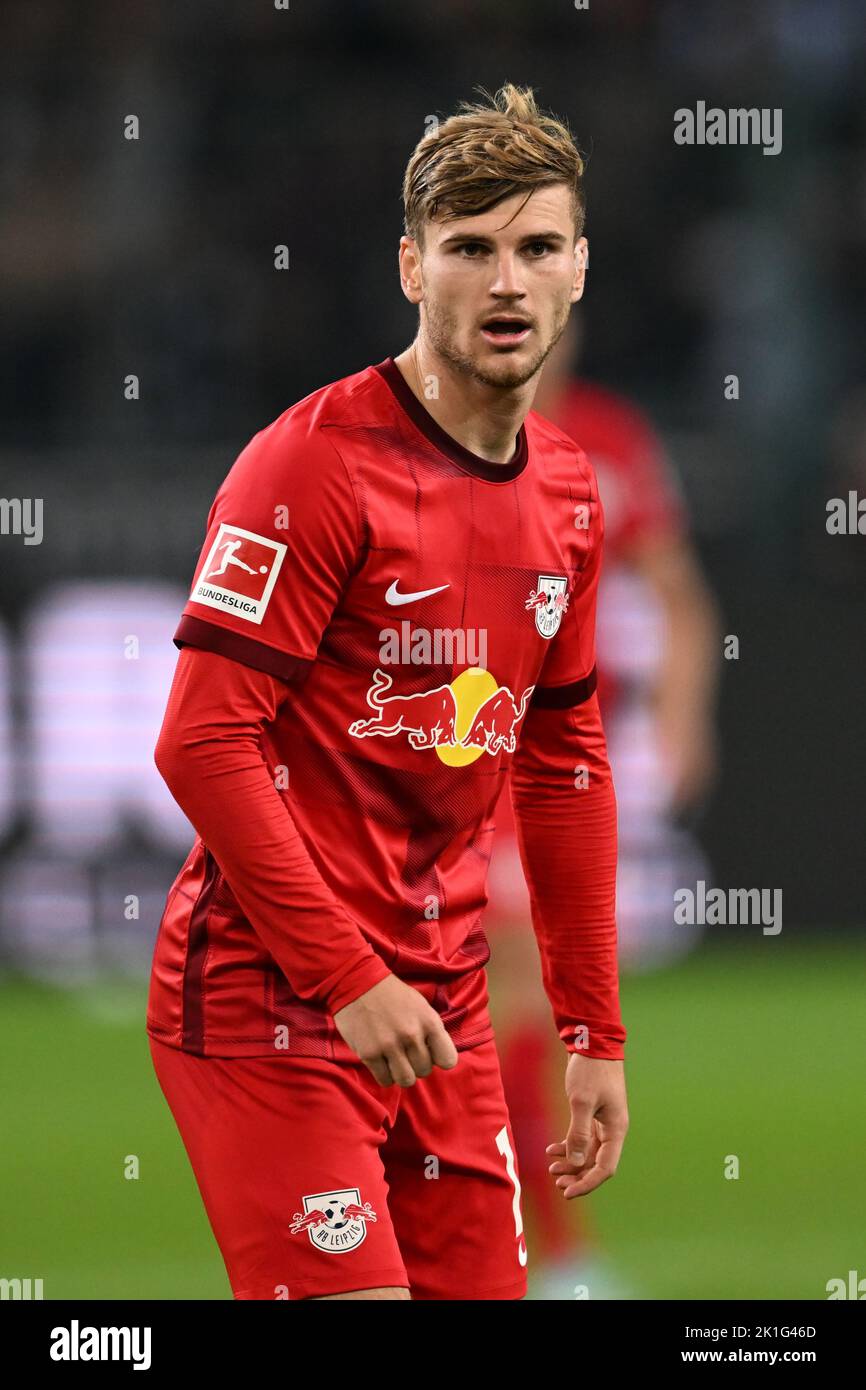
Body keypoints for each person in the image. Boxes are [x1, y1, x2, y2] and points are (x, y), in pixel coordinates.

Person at [147, 83, 628, 1302]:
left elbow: (564, 764)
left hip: (443, 1010)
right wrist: (345, 979)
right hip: (270, 995)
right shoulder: (309, 465)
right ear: (411, 268)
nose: (504, 283)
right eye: (468, 250)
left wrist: (588, 1030)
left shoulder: (569, 490)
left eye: (533, 248)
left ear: (580, 268)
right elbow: (203, 742)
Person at [487, 310, 720, 1296]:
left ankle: (512, 1244)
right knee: (507, 991)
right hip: (462, 754)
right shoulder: (426, 441)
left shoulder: (608, 441)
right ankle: (547, 1257)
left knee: (518, 1002)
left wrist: (681, 717)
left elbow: (677, 595)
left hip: (557, 763)